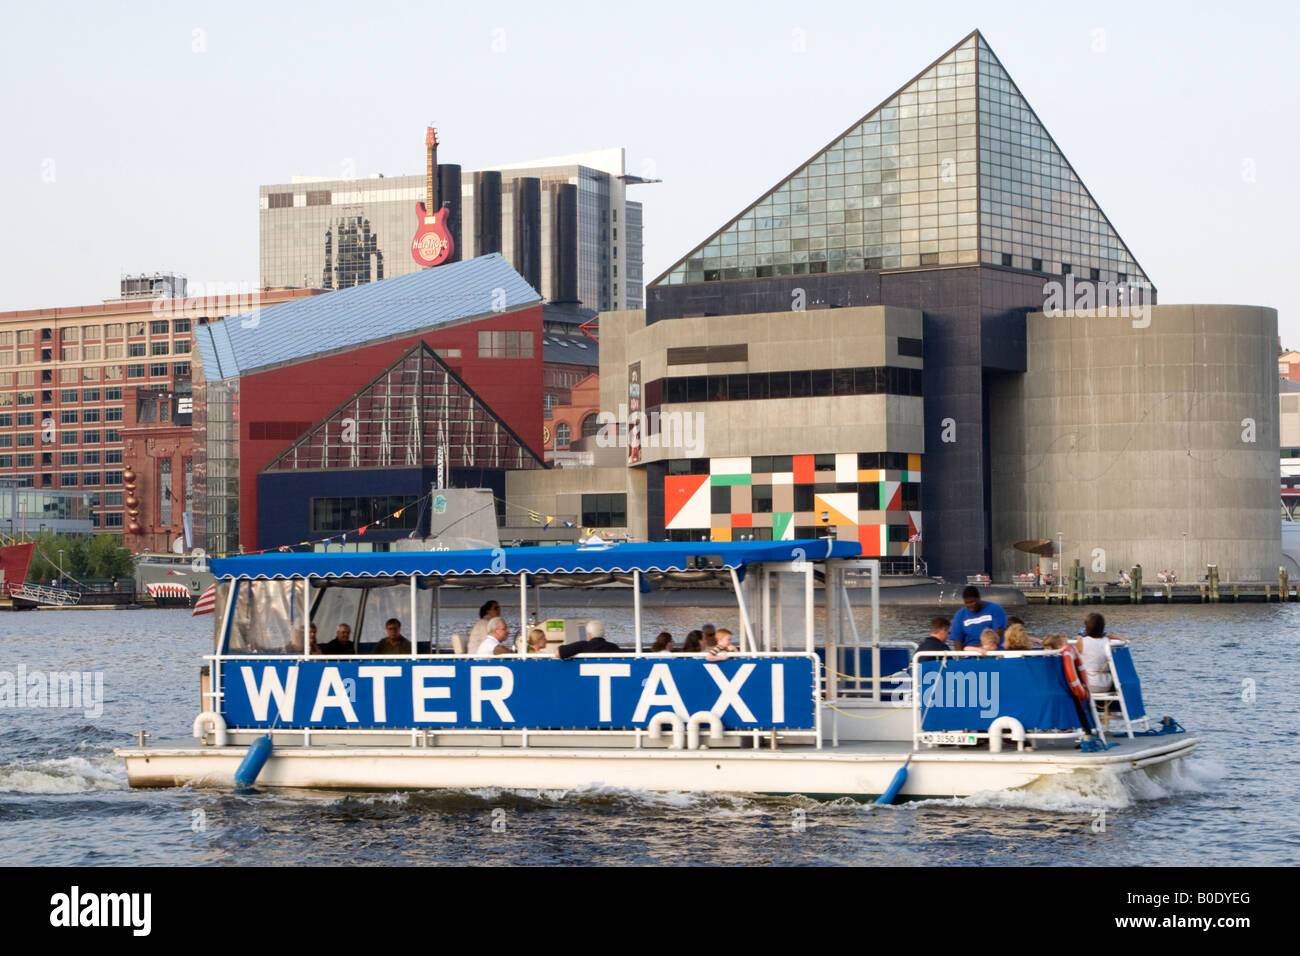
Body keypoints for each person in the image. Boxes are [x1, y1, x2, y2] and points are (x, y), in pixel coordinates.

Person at [1075, 612, 1116, 693]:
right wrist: (1110, 635)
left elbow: (1072, 659)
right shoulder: (1107, 641)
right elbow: (1124, 641)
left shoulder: (1082, 642)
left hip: (1088, 685)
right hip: (1107, 685)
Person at [557, 620, 623, 659]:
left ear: (589, 634)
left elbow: (558, 653)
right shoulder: (613, 647)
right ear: (603, 633)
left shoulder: (582, 646)